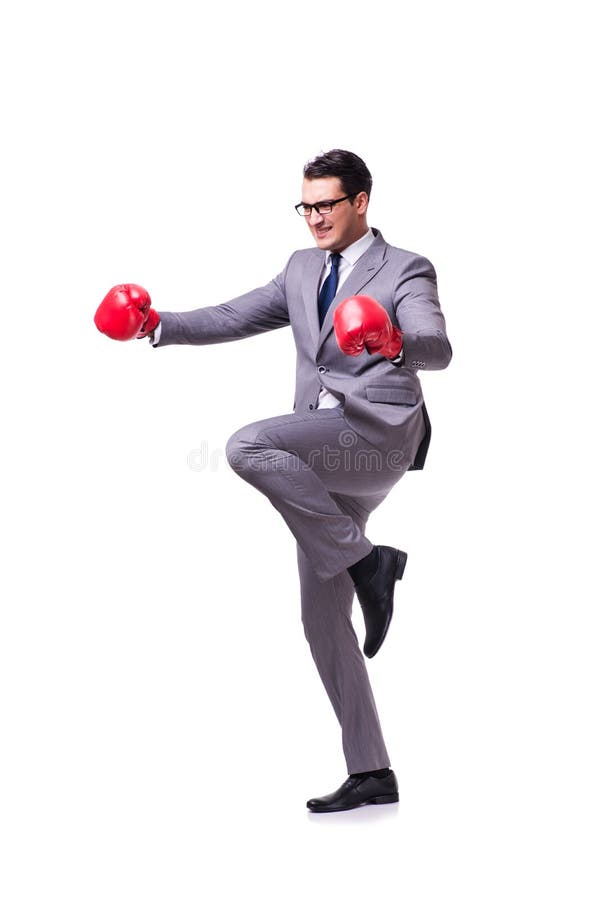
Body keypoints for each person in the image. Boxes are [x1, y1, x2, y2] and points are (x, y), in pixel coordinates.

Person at [94, 149, 452, 812]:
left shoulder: (404, 268)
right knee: (321, 620)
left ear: (361, 202)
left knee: (247, 445)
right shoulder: (300, 268)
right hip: (317, 458)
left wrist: (392, 340)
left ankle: (369, 564)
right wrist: (156, 324)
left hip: (376, 436)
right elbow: (235, 316)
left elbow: (438, 344)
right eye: (306, 205)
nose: (314, 217)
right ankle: (372, 770)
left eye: (326, 204)